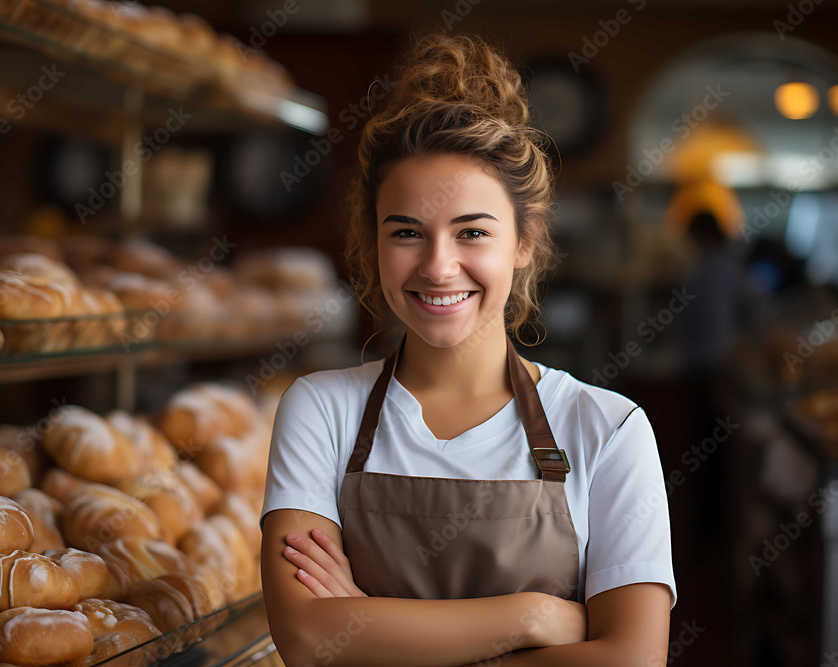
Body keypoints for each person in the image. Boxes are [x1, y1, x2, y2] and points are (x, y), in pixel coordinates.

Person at [260, 31, 676, 666]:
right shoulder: (321, 409)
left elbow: (630, 661)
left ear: (524, 243)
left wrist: (370, 634)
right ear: (374, 244)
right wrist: (532, 617)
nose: (438, 265)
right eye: (406, 232)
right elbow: (308, 639)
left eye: (472, 232)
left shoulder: (609, 430)